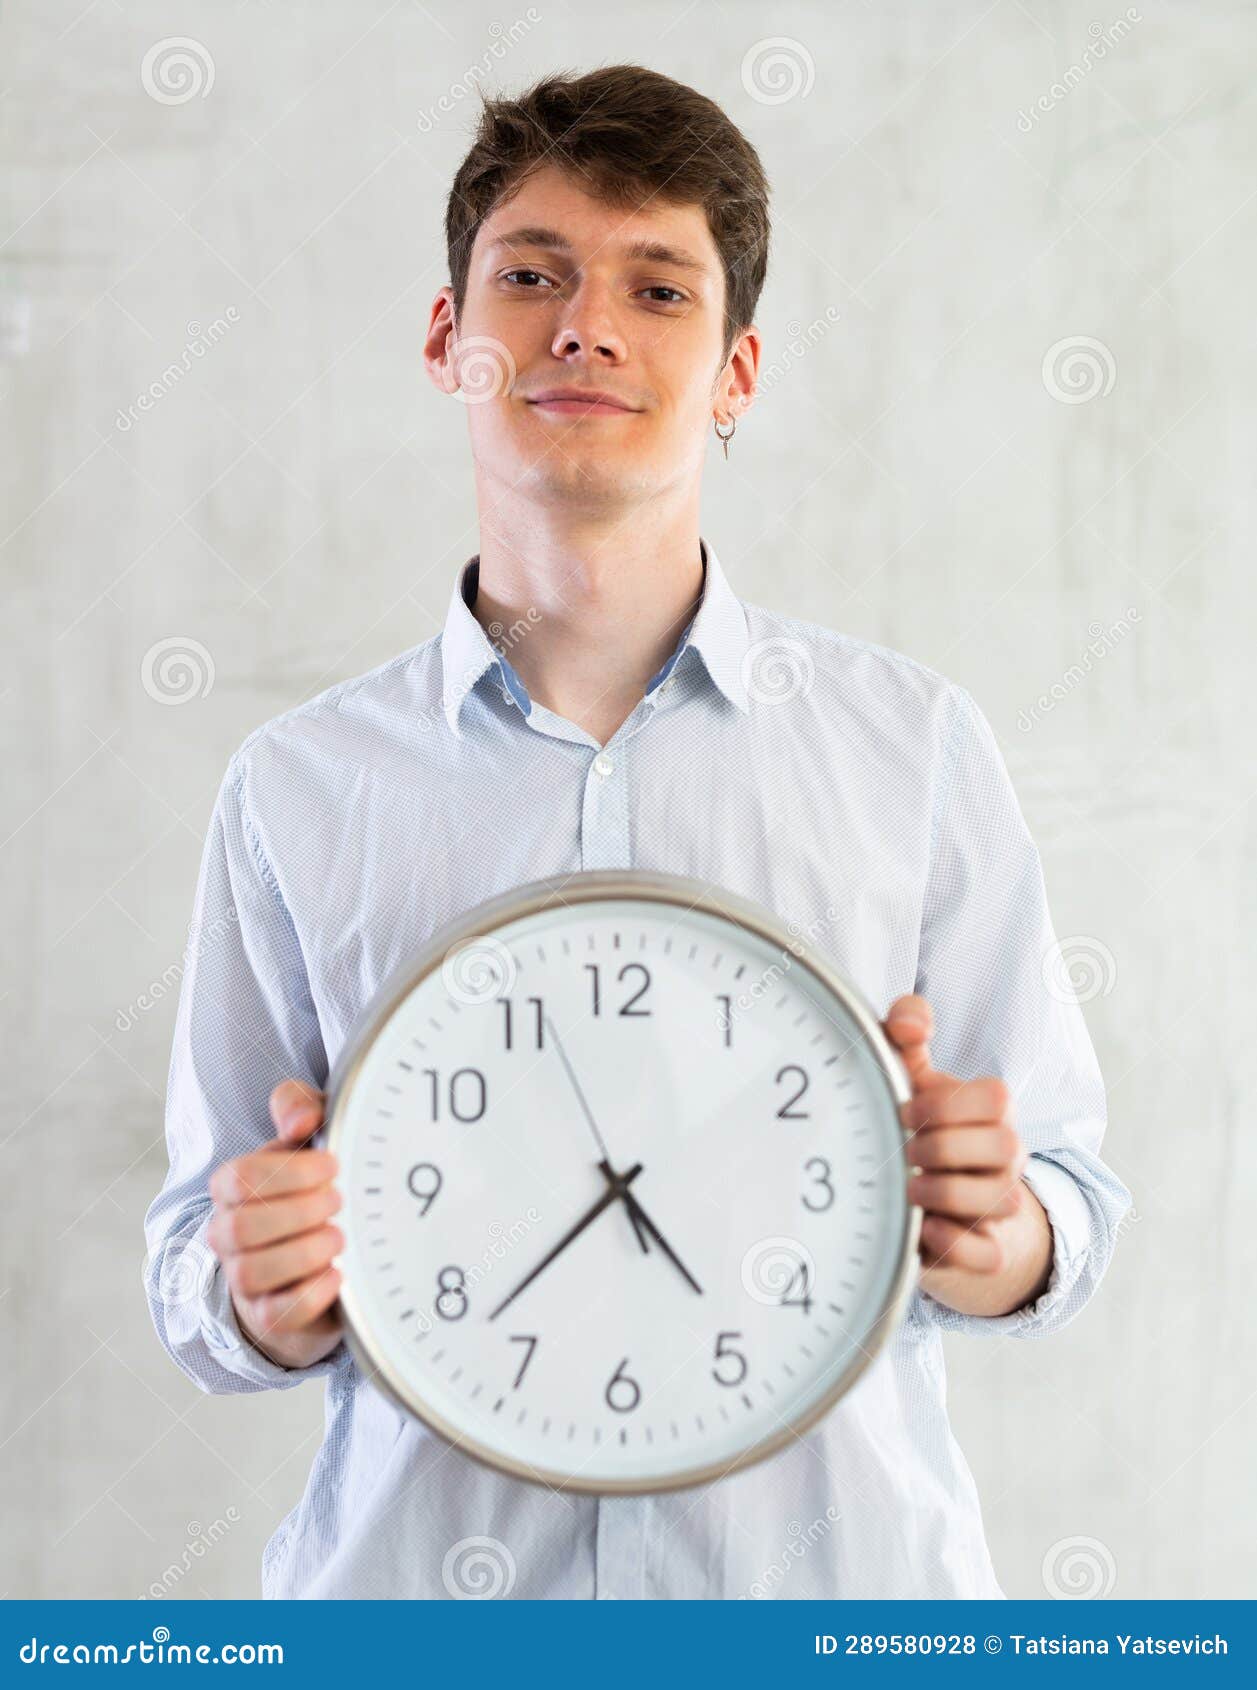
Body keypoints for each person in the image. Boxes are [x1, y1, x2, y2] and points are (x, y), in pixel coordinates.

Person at [144, 64, 1131, 1600]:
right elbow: (191, 1269)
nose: (584, 325)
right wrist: (256, 1291)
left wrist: (995, 1230)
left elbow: (1069, 1201)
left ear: (735, 373)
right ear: (446, 341)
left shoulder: (912, 749)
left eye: (656, 288)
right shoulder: (298, 782)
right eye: (530, 275)